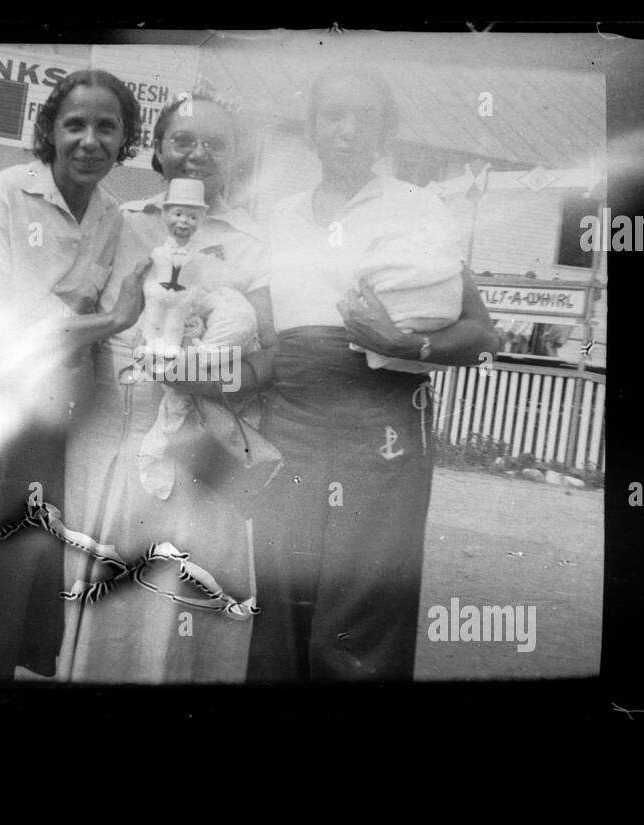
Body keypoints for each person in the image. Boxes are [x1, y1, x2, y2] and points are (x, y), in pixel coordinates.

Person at [246, 65, 499, 683]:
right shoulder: (278, 215)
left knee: (365, 600)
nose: (349, 129)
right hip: (290, 420)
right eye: (334, 114)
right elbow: (261, 328)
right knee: (280, 591)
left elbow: (484, 335)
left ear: (387, 128)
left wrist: (402, 340)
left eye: (366, 116)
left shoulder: (420, 207)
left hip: (383, 422)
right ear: (310, 126)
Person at [0, 69, 148, 681]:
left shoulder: (113, 218)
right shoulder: (4, 192)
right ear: (49, 131)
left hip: (40, 403)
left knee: (14, 574)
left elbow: (74, 322)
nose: (90, 140)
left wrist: (78, 323)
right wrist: (109, 319)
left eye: (106, 127)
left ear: (125, 140)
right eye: (74, 125)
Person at [58, 92, 276, 683]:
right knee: (114, 604)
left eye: (216, 144)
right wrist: (116, 322)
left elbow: (271, 358)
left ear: (235, 159)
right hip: (117, 445)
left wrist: (211, 377)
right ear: (157, 150)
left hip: (203, 450)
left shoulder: (253, 243)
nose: (198, 154)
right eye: (182, 140)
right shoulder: (122, 223)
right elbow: (63, 323)